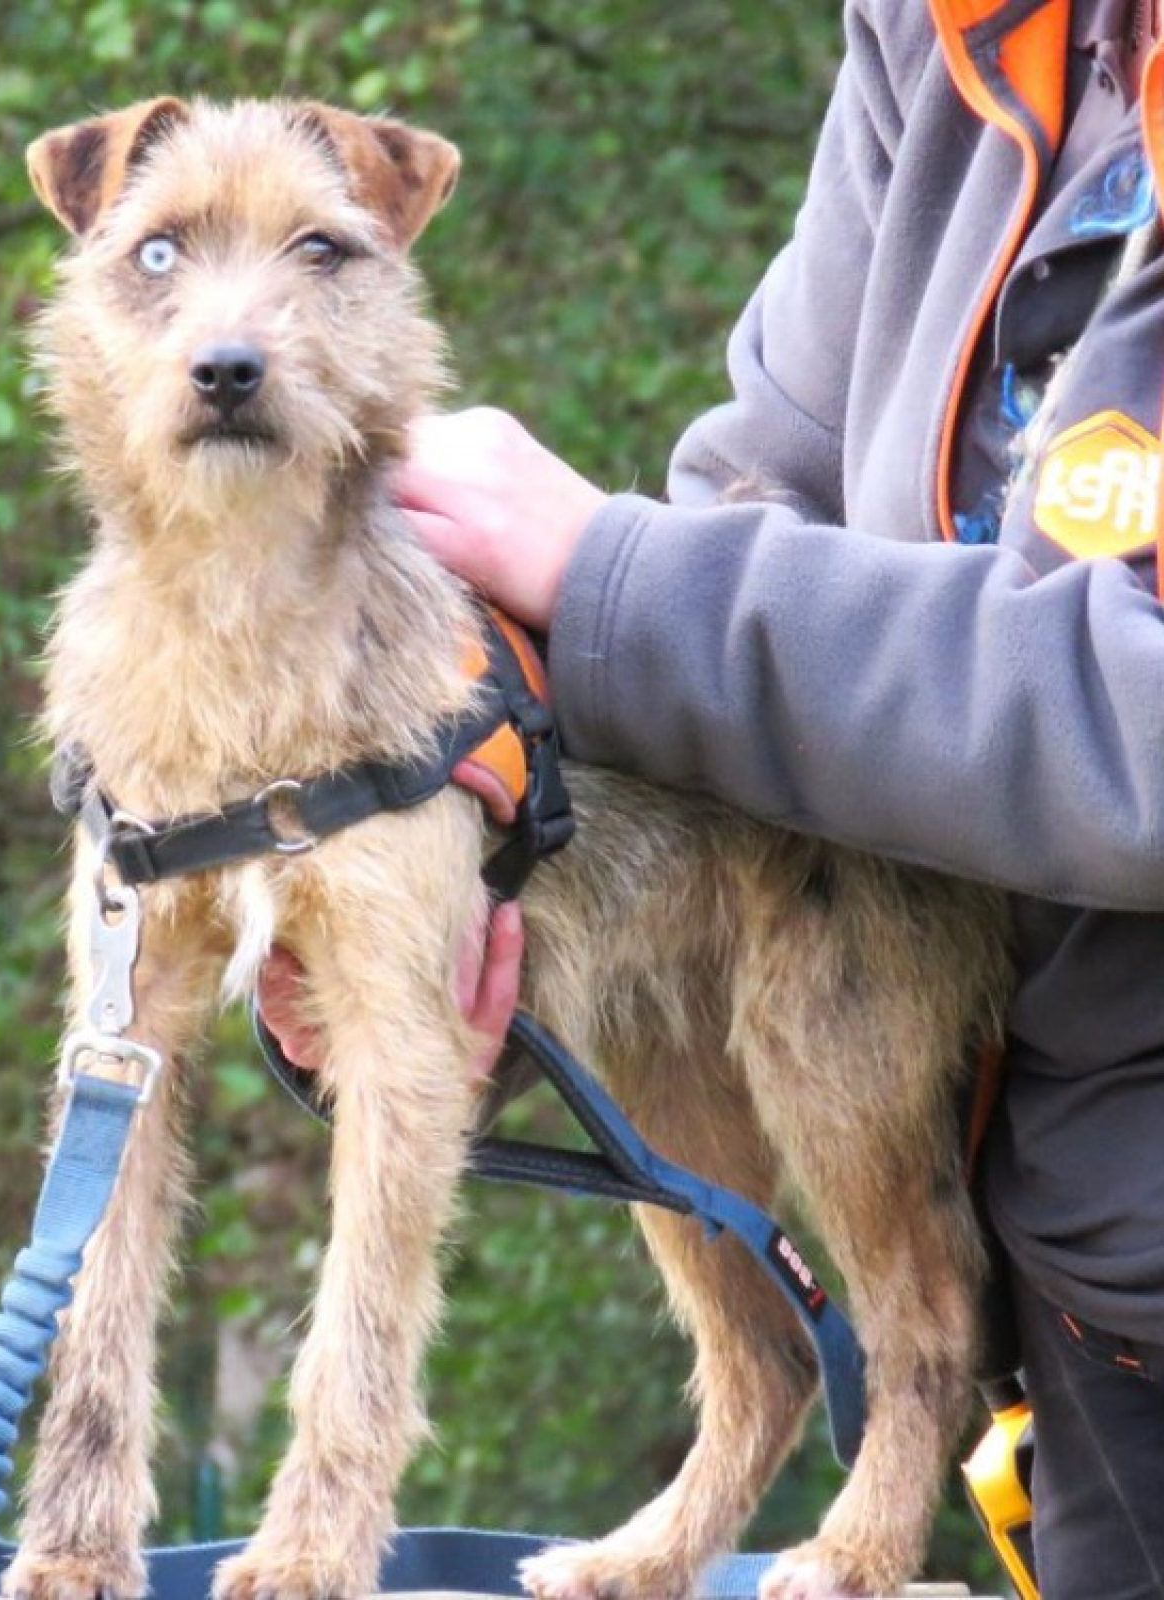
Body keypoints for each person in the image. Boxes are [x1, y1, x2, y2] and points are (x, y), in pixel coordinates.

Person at [262, 3, 1164, 1595]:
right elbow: (769, 503)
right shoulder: (962, 34)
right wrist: (471, 885)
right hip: (1091, 1297)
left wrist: (610, 578)